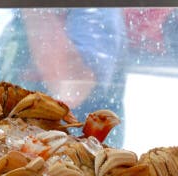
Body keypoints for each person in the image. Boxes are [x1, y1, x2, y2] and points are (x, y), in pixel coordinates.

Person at [20, 8, 127, 147]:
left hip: (82, 153)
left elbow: (72, 85)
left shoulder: (96, 9)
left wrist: (34, 10)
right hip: (15, 143)